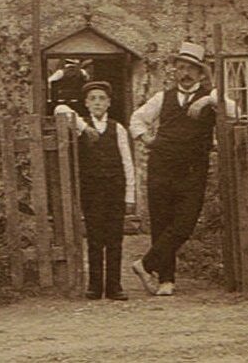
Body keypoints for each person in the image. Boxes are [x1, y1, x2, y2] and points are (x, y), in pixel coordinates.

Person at [128, 41, 235, 296]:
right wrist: (146, 138)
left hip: (192, 170)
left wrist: (209, 99)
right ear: (175, 71)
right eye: (181, 68)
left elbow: (234, 111)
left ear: (201, 73)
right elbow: (136, 120)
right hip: (161, 167)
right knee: (161, 224)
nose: (185, 74)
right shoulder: (161, 98)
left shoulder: (211, 98)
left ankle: (145, 264)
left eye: (191, 69)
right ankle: (166, 280)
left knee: (185, 224)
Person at [59, 80, 135, 300]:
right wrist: (85, 128)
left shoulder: (117, 128)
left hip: (115, 188)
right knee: (94, 237)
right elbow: (60, 109)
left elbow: (127, 162)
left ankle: (114, 286)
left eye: (102, 98)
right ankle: (94, 285)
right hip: (92, 190)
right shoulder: (80, 125)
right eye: (92, 99)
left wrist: (130, 195)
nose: (97, 102)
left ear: (109, 103)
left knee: (114, 238)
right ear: (86, 103)